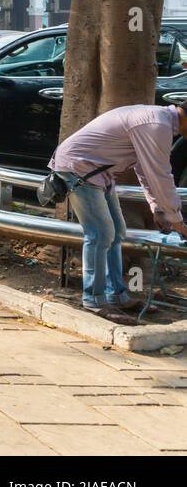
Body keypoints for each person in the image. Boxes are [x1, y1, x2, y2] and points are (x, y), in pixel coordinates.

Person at [49, 102, 187, 324]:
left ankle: (116, 295)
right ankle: (94, 299)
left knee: (117, 233)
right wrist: (178, 221)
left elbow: (145, 169)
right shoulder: (157, 124)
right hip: (79, 168)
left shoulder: (159, 120)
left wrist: (158, 208)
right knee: (100, 234)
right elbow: (161, 175)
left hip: (98, 173)